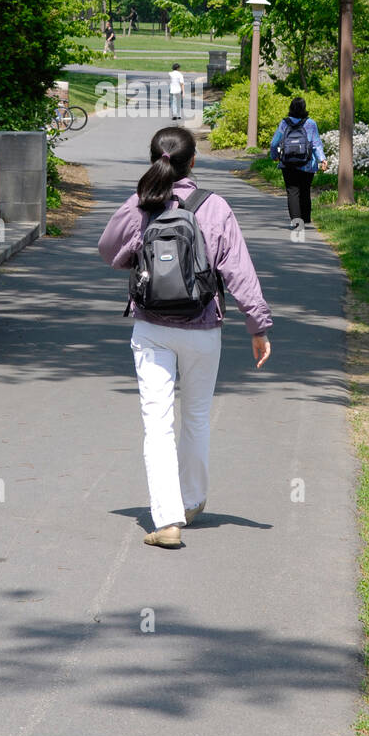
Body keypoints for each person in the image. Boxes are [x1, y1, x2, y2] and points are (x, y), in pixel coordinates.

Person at [98, 127, 272, 549]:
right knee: (195, 417)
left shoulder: (141, 204)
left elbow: (107, 250)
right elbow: (239, 271)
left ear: (153, 158)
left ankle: (168, 519)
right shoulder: (214, 207)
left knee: (156, 424)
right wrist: (258, 325)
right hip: (202, 326)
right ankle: (191, 502)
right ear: (193, 161)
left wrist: (138, 258)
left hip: (152, 326)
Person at [269, 96, 328, 229]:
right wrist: (322, 159)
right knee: (305, 190)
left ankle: (296, 221)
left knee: (292, 191)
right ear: (304, 108)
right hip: (307, 164)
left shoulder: (284, 123)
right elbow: (316, 144)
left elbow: (274, 143)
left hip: (288, 164)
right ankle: (305, 218)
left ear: (291, 107)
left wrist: (274, 156)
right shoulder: (311, 123)